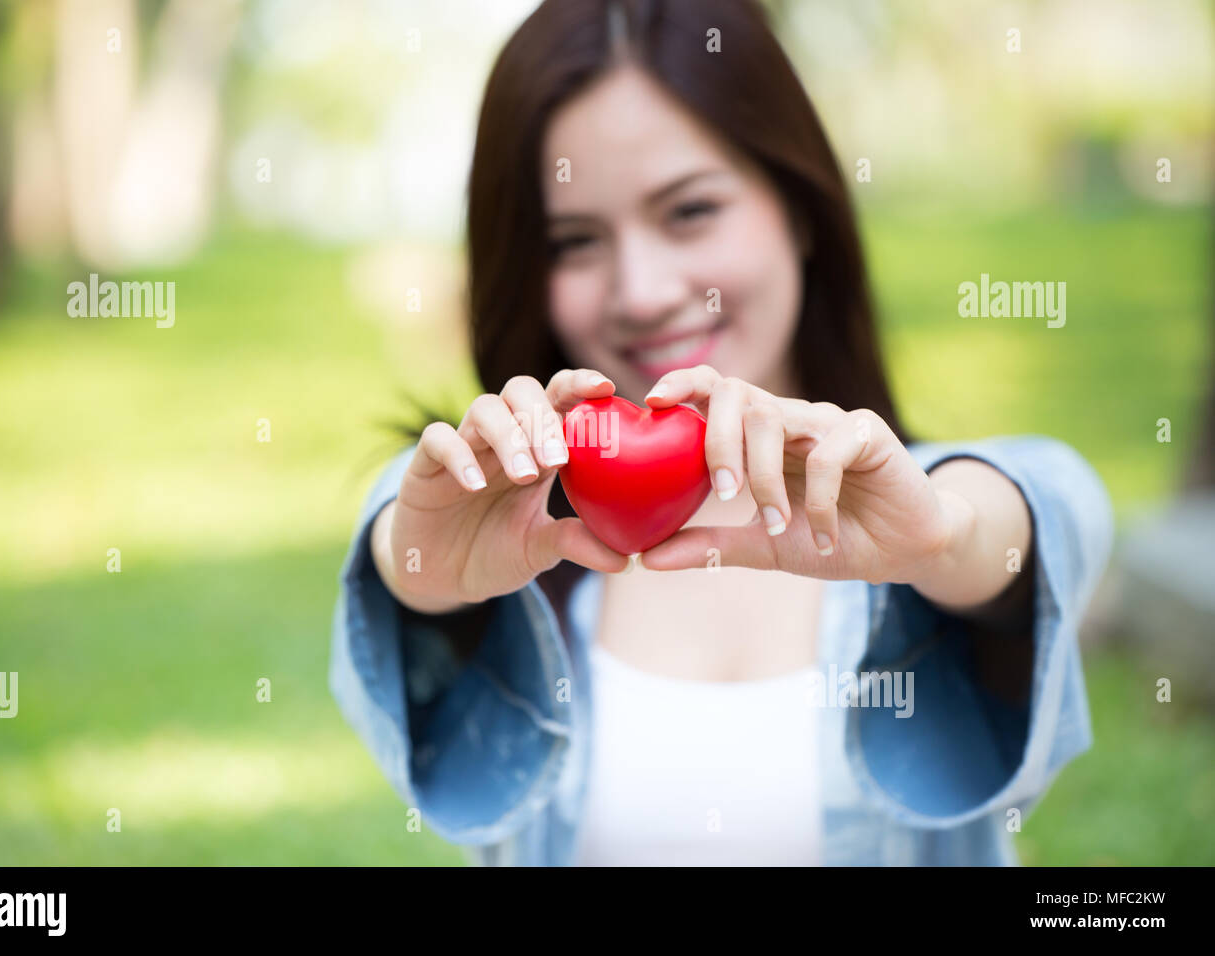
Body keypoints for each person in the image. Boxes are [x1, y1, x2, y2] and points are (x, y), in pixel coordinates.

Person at [329, 0, 1112, 865]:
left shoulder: (929, 518)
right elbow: (400, 544)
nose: (643, 289)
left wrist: (940, 536)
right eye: (576, 241)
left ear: (801, 207)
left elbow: (1051, 503)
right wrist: (417, 567)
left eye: (690, 210)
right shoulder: (508, 532)